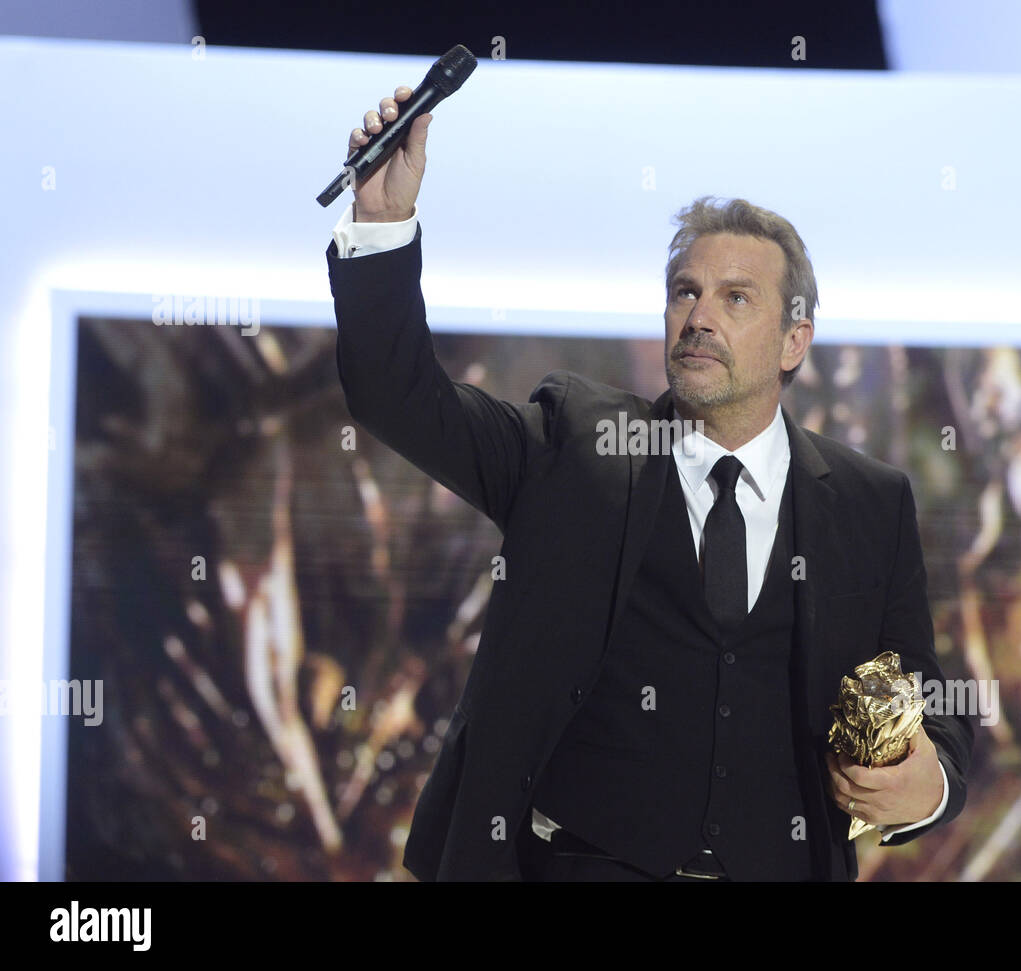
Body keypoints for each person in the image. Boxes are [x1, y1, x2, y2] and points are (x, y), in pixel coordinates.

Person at [326, 85, 974, 881]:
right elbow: (400, 396)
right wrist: (382, 224)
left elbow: (931, 705)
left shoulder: (872, 505)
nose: (699, 316)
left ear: (793, 339)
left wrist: (927, 786)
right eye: (684, 292)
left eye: (736, 298)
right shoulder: (574, 442)